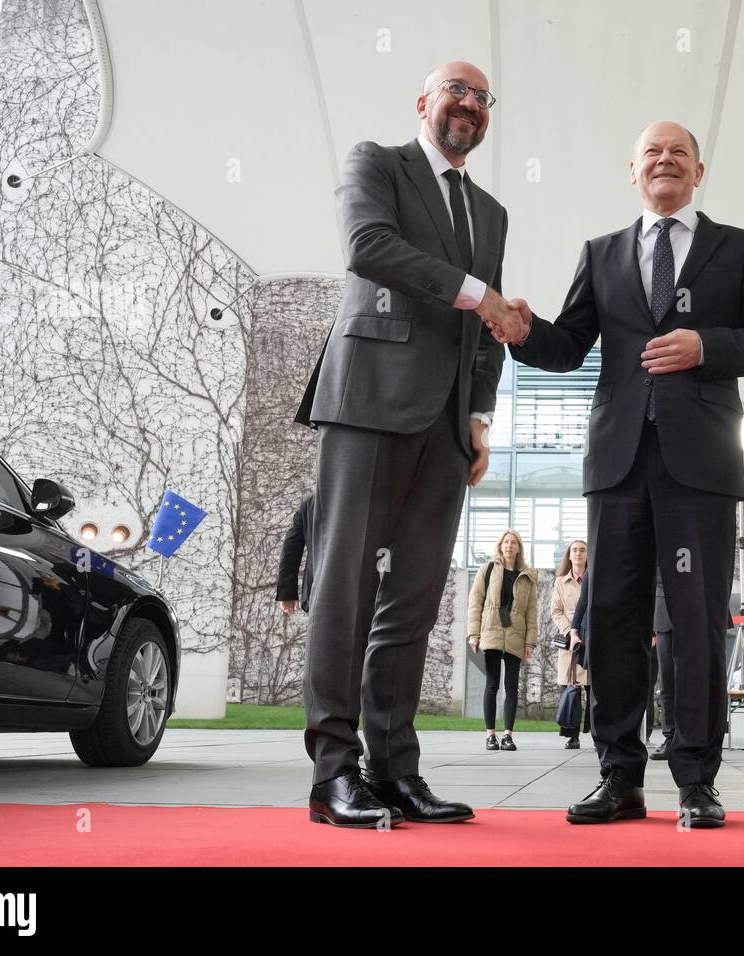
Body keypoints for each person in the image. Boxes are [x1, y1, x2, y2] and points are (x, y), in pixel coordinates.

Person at [489, 121, 744, 827]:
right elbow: (569, 344)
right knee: (616, 621)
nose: (664, 160)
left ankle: (696, 780)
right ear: (633, 171)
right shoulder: (602, 253)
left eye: (677, 151)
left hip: (701, 465)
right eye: (651, 152)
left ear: (699, 170)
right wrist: (524, 332)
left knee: (696, 621)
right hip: (619, 465)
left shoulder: (740, 250)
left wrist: (704, 345)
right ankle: (618, 776)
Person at [292, 61, 524, 828]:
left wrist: (480, 417)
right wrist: (475, 292)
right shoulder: (375, 164)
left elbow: (485, 333)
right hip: (366, 401)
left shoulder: (490, 213)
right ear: (423, 103)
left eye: (480, 98)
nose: (468, 105)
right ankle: (333, 774)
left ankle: (395, 770)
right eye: (455, 91)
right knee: (344, 585)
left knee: (415, 601)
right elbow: (367, 246)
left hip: (448, 425)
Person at [467, 530, 538, 750]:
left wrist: (529, 642)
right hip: (492, 632)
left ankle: (507, 735)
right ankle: (490, 735)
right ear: (500, 546)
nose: (509, 546)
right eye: (506, 542)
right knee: (492, 684)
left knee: (512, 686)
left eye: (513, 542)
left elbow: (532, 612)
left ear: (518, 547)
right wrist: (473, 634)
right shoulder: (487, 569)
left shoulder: (527, 575)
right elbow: (475, 603)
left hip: (516, 635)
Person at [550, 539, 589, 748]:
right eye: (574, 550)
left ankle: (596, 734)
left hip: (590, 635)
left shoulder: (594, 578)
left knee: (592, 688)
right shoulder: (560, 582)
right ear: (569, 555)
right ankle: (571, 735)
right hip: (569, 640)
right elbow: (555, 611)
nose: (578, 553)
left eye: (582, 550)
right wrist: (570, 631)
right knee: (569, 687)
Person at [649, 569, 675, 759]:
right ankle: (671, 737)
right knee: (667, 682)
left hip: (697, 605)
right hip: (663, 611)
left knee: (697, 680)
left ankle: (700, 740)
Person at [275, 494, 315, 617]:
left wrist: (287, 591)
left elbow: (292, 546)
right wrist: (287, 591)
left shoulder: (310, 504)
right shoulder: (309, 504)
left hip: (318, 592)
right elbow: (292, 545)